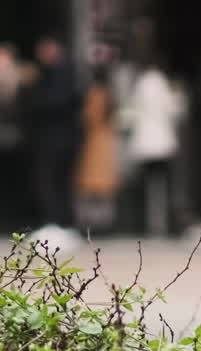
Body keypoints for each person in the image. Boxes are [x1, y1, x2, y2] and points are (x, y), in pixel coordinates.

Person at [24, 35, 83, 245]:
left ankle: (60, 223)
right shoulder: (47, 73)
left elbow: (58, 102)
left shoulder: (64, 74)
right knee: (51, 182)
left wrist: (34, 97)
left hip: (59, 139)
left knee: (57, 182)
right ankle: (57, 222)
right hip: (52, 139)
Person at [127, 61, 184, 236]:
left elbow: (130, 114)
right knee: (162, 187)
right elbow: (175, 111)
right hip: (162, 144)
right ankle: (161, 225)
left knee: (147, 187)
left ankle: (150, 225)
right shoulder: (165, 85)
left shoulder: (139, 85)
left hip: (144, 144)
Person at [0, 43, 34, 233]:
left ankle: (19, 224)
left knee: (18, 184)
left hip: (19, 144)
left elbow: (26, 110)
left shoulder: (22, 82)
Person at [75, 66, 120, 233]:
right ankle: (105, 223)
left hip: (94, 143)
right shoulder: (109, 93)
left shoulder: (94, 94)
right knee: (103, 189)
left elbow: (89, 117)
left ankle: (93, 224)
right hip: (106, 142)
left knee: (91, 187)